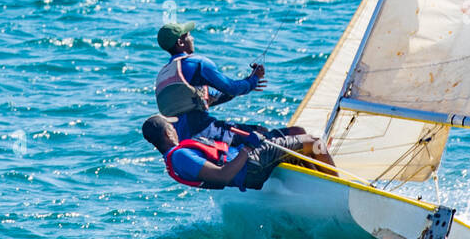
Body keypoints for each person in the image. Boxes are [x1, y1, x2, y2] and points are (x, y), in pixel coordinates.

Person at [153, 20, 336, 166]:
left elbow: (209, 99)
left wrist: (248, 82)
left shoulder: (165, 74)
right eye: (188, 35)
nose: (192, 38)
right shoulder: (196, 63)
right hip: (208, 132)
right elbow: (231, 87)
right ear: (180, 42)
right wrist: (253, 80)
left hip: (187, 137)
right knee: (297, 133)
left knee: (264, 132)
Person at [141, 114, 324, 191]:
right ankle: (338, 185)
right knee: (314, 143)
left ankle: (317, 184)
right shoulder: (181, 156)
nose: (175, 129)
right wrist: (247, 149)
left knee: (298, 139)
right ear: (167, 133)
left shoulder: (176, 157)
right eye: (171, 127)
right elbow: (222, 176)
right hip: (251, 165)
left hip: (247, 162)